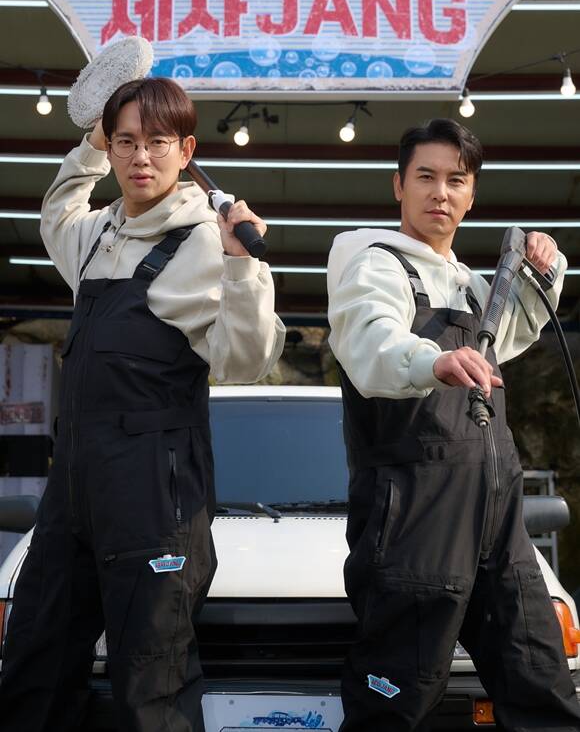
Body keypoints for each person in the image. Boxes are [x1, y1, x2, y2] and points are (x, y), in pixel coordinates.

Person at [0, 77, 285, 731]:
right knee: (33, 671)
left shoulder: (205, 242)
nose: (140, 158)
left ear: (186, 151)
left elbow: (245, 362)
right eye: (125, 141)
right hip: (74, 498)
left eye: (157, 142)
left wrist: (242, 265)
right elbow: (57, 215)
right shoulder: (100, 236)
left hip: (156, 502)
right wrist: (89, 145)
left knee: (150, 691)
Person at [326, 118, 580, 732]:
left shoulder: (471, 288)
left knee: (541, 682)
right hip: (415, 520)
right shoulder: (375, 267)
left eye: (456, 180)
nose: (440, 192)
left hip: (497, 523)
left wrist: (545, 268)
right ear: (399, 186)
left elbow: (514, 330)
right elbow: (371, 343)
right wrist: (431, 360)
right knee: (395, 702)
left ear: (471, 195)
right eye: (426, 177)